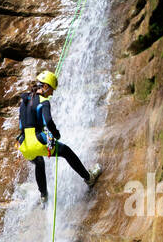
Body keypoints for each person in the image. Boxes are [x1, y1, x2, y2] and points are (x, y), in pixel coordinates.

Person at [15, 70, 100, 204]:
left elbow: (21, 124)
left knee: (38, 162)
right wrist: (56, 134)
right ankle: (88, 178)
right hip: (38, 141)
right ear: (45, 87)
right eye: (52, 90)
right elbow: (48, 121)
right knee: (66, 151)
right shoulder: (44, 101)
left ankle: (43, 195)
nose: (52, 93)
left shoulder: (24, 101)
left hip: (24, 145)